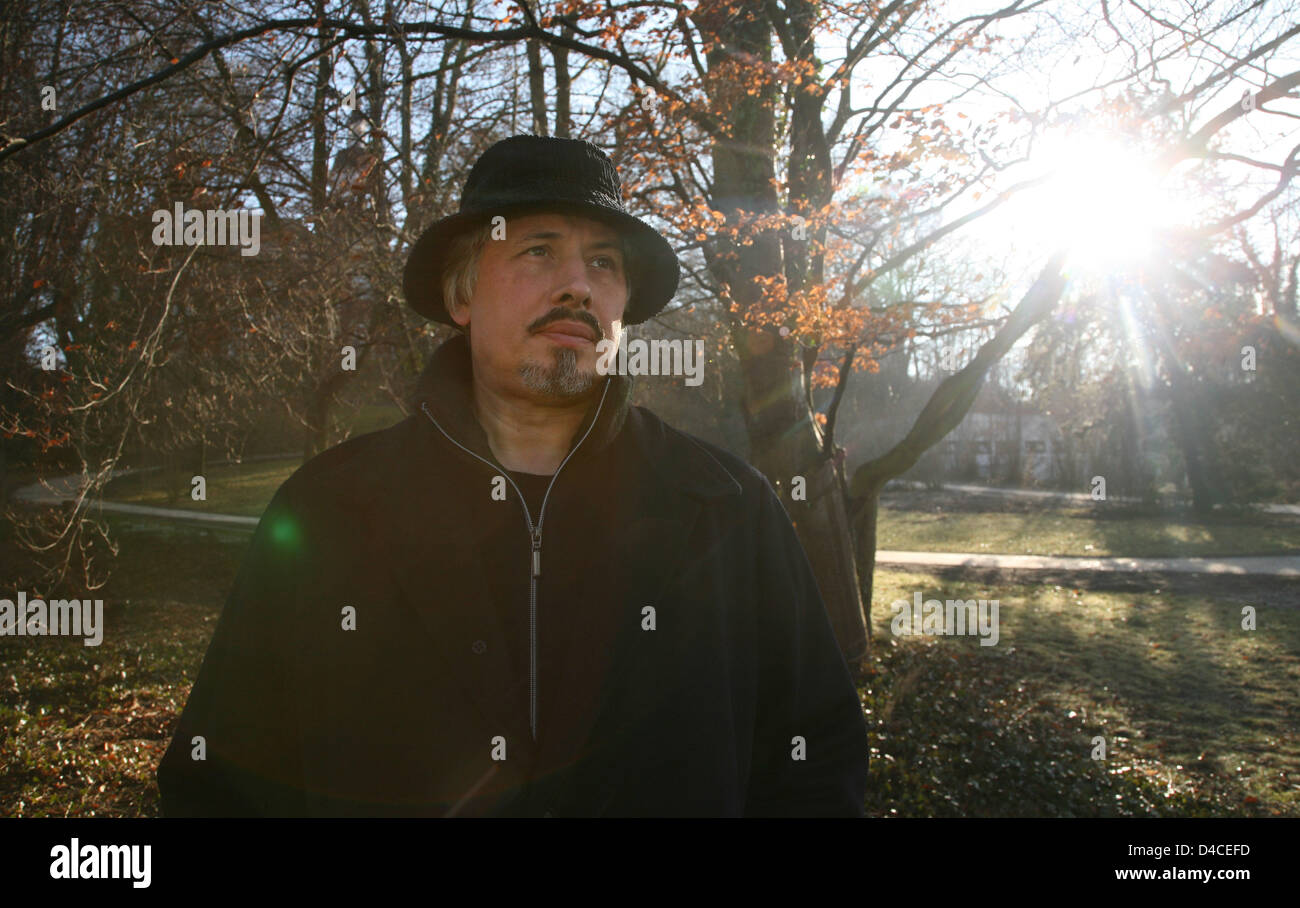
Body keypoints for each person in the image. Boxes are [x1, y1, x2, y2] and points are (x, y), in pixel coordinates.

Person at [156, 134, 869, 816]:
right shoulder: (329, 512)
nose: (578, 288)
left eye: (605, 265)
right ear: (461, 296)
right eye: (538, 251)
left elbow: (816, 764)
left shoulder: (727, 510)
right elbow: (220, 785)